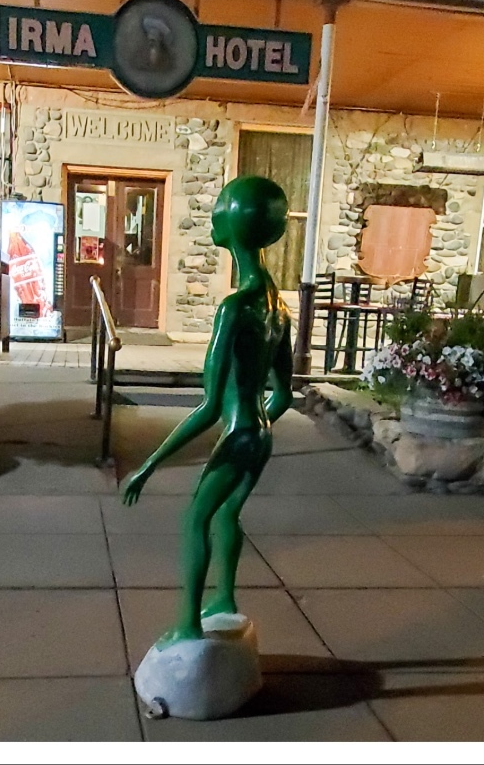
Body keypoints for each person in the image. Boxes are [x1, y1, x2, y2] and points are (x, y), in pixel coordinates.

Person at [121, 176, 294, 649]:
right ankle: (223, 598)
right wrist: (257, 426)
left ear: (233, 223)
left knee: (195, 519)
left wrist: (149, 465)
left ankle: (188, 623)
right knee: (227, 515)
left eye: (219, 208)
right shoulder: (279, 309)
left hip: (239, 435)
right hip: (259, 437)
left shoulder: (235, 308)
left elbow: (209, 407)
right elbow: (283, 396)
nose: (213, 216)